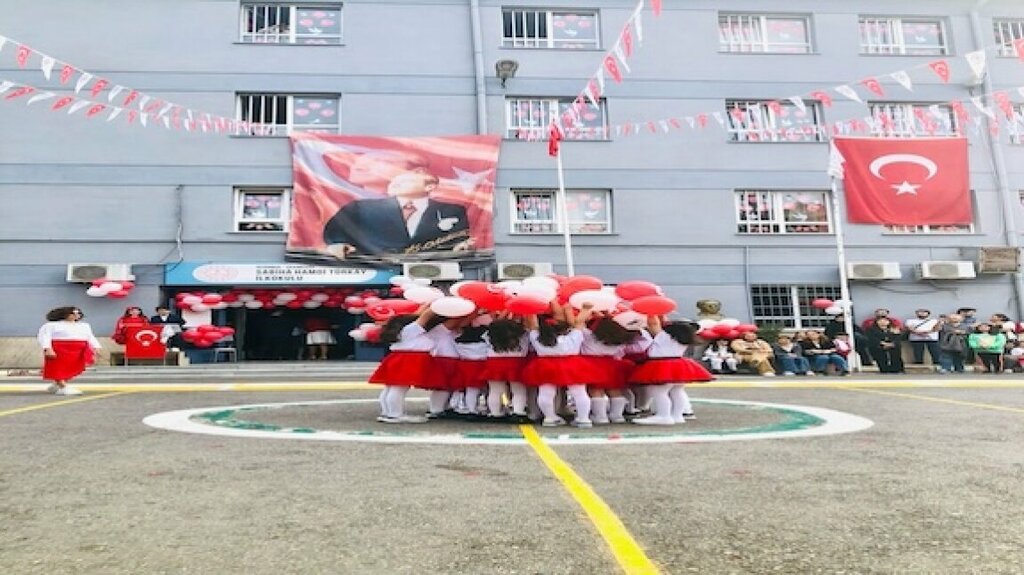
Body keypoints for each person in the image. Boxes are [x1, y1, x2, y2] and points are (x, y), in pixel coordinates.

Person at [323, 170, 471, 259]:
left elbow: (458, 239)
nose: (396, 183)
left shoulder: (452, 211)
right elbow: (337, 230)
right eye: (395, 181)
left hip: (429, 273)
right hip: (371, 270)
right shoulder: (361, 207)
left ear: (429, 186)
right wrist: (337, 244)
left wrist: (460, 246)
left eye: (406, 181)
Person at [627, 316, 713, 425]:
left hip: (662, 364)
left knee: (659, 392)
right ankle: (677, 415)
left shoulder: (665, 335)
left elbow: (653, 323)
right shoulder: (684, 338)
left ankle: (663, 415)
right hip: (679, 363)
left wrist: (650, 314)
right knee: (677, 391)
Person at [521, 302, 595, 428]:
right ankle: (583, 419)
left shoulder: (537, 338)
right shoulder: (573, 336)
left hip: (545, 365)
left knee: (546, 392)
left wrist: (531, 309)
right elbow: (578, 323)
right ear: (564, 329)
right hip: (571, 365)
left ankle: (549, 418)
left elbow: (533, 325)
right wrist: (585, 309)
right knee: (579, 392)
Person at [367, 308, 442, 423]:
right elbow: (425, 316)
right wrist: (436, 306)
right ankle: (395, 414)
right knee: (399, 388)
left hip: (398, 358)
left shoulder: (400, 332)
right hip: (408, 359)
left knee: (391, 387)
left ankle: (387, 412)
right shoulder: (410, 329)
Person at [38, 306, 102, 396]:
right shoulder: (51, 325)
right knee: (57, 368)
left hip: (78, 350)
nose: (76, 315)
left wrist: (96, 347)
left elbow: (90, 336)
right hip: (60, 349)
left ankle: (57, 385)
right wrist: (48, 348)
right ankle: (62, 386)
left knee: (73, 367)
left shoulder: (84, 326)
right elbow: (45, 337)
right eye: (73, 313)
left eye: (78, 313)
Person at [480, 317, 532, 422]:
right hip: (516, 363)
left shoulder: (488, 334)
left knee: (495, 390)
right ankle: (518, 412)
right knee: (518, 390)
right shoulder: (523, 334)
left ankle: (495, 413)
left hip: (494, 362)